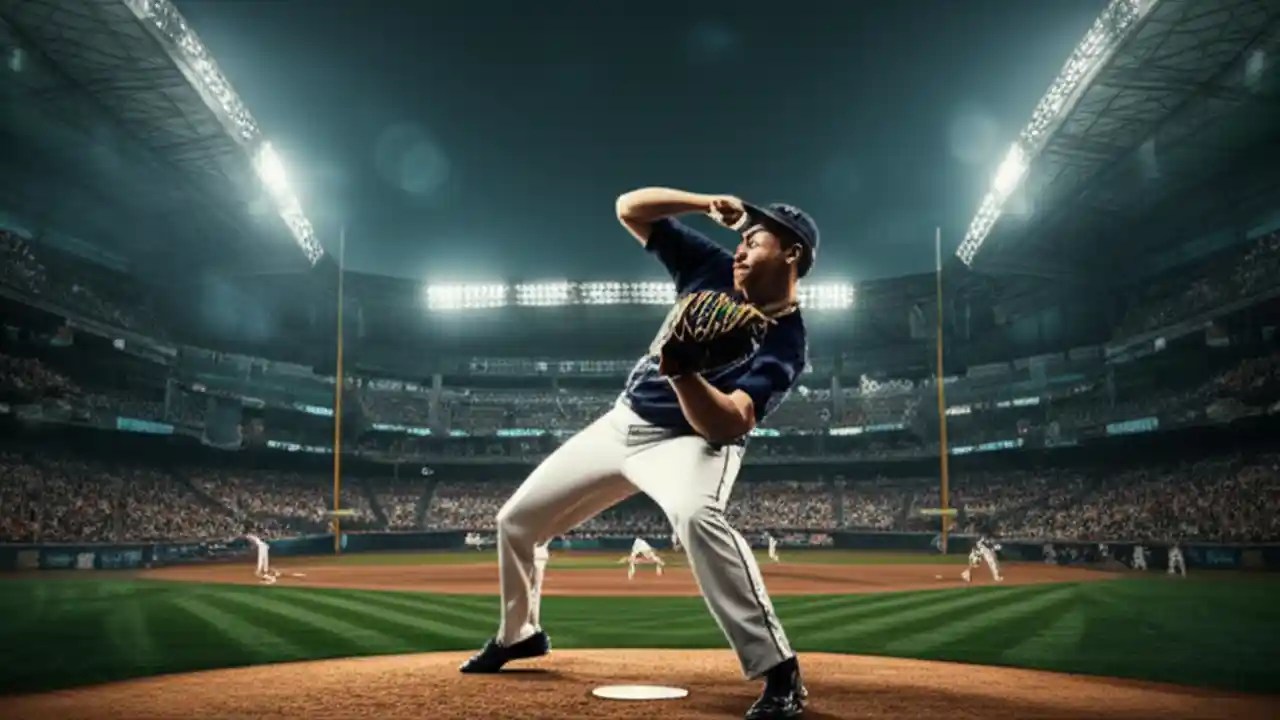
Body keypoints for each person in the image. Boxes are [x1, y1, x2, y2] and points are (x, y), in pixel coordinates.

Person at [459, 187, 819, 720]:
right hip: (623, 421)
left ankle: (779, 670)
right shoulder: (711, 265)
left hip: (694, 444)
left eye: (755, 240)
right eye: (739, 240)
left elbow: (730, 422)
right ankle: (520, 634)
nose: (740, 249)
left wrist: (681, 371)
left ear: (791, 253)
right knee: (516, 521)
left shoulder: (786, 339)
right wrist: (701, 203)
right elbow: (629, 207)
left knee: (698, 517)